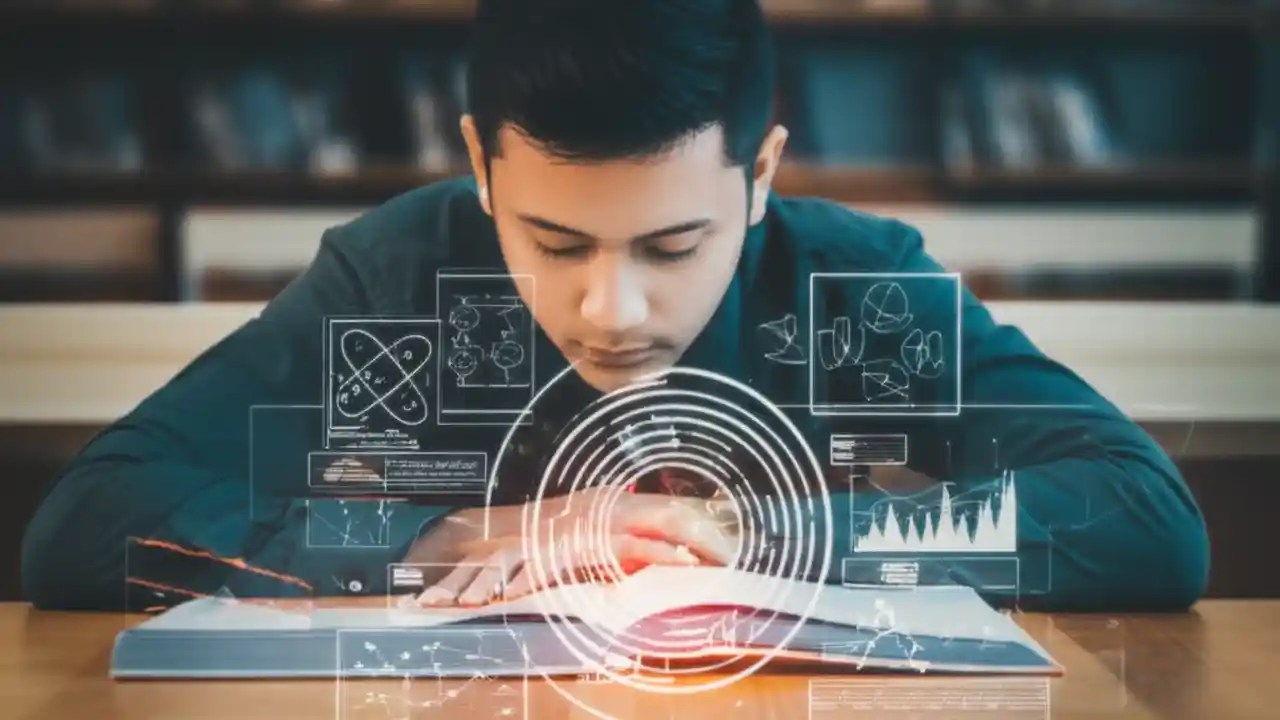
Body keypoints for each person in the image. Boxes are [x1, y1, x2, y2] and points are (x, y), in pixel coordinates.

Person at [22, 0, 1207, 612]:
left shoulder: (843, 285)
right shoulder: (399, 274)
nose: (611, 309)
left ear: (761, 178)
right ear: (482, 167)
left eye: (674, 243)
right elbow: (87, 520)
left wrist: (766, 542)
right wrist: (444, 538)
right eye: (551, 238)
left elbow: (1142, 518)